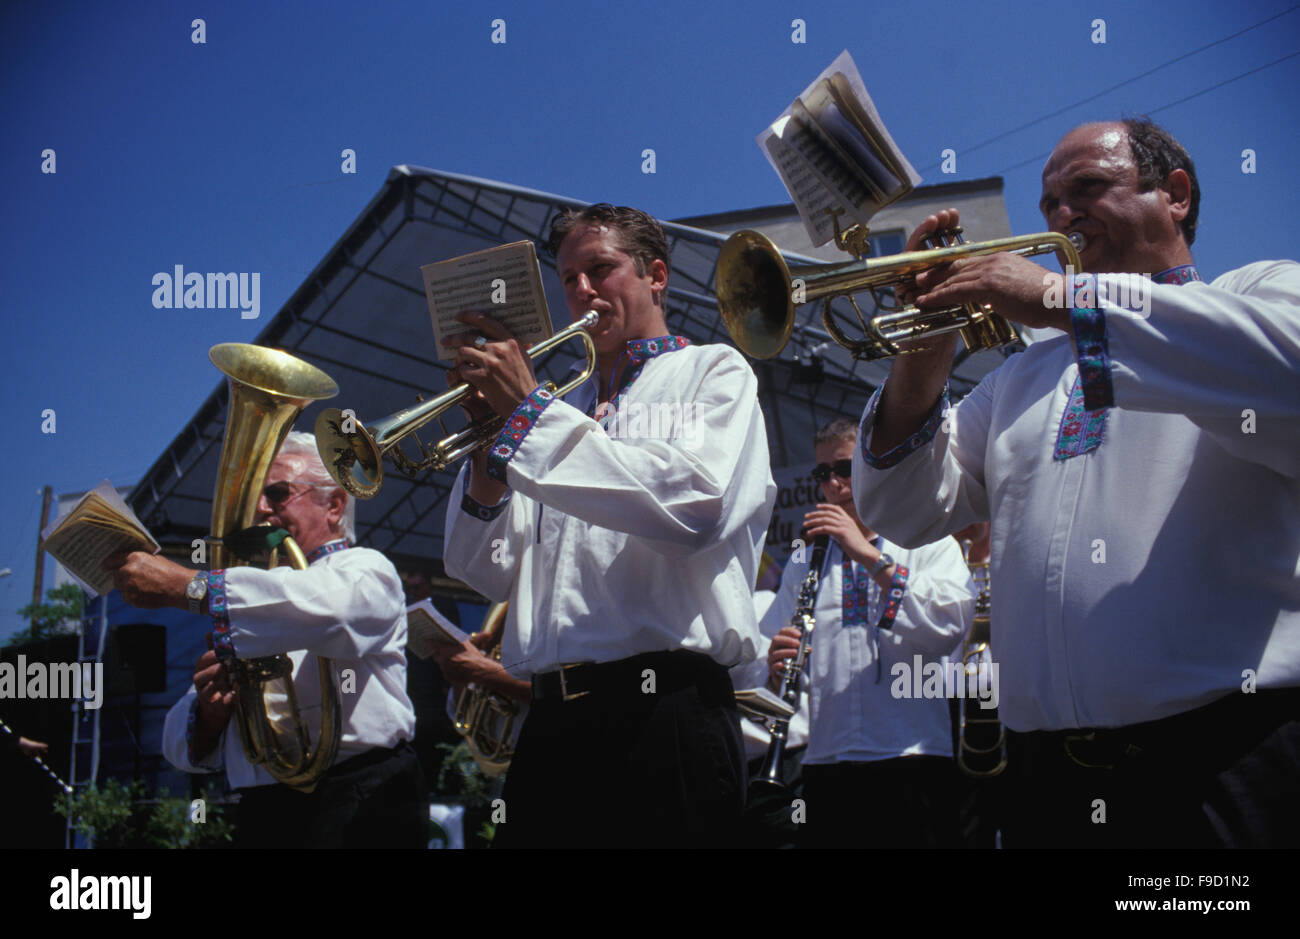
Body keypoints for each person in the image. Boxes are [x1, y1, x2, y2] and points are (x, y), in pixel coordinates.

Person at [852, 117, 1300, 847]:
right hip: (1045, 780)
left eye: (1087, 188)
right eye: (1050, 204)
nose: (1062, 217)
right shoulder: (1021, 375)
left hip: (1221, 759)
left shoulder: (1258, 290)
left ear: (1175, 194)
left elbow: (1286, 374)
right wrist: (924, 347)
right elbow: (902, 508)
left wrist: (1063, 299)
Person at [437, 203, 777, 847]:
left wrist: (529, 413)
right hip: (553, 722)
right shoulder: (559, 408)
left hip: (667, 712)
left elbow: (691, 509)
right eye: (568, 278)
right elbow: (482, 571)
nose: (583, 291)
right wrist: (488, 443)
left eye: (600, 268)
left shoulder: (713, 371)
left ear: (655, 275)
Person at [106, 432, 424, 848]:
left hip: (362, 802)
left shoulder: (367, 567)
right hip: (265, 812)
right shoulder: (256, 596)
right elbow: (176, 746)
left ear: (334, 505)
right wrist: (209, 713)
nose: (259, 508)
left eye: (278, 493)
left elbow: (336, 610)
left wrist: (191, 586)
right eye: (260, 496)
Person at [741, 418, 973, 848]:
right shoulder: (804, 562)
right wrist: (776, 666)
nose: (833, 484)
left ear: (870, 469)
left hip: (911, 756)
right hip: (828, 760)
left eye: (844, 469)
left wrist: (866, 554)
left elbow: (948, 625)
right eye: (822, 473)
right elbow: (771, 661)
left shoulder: (926, 543)